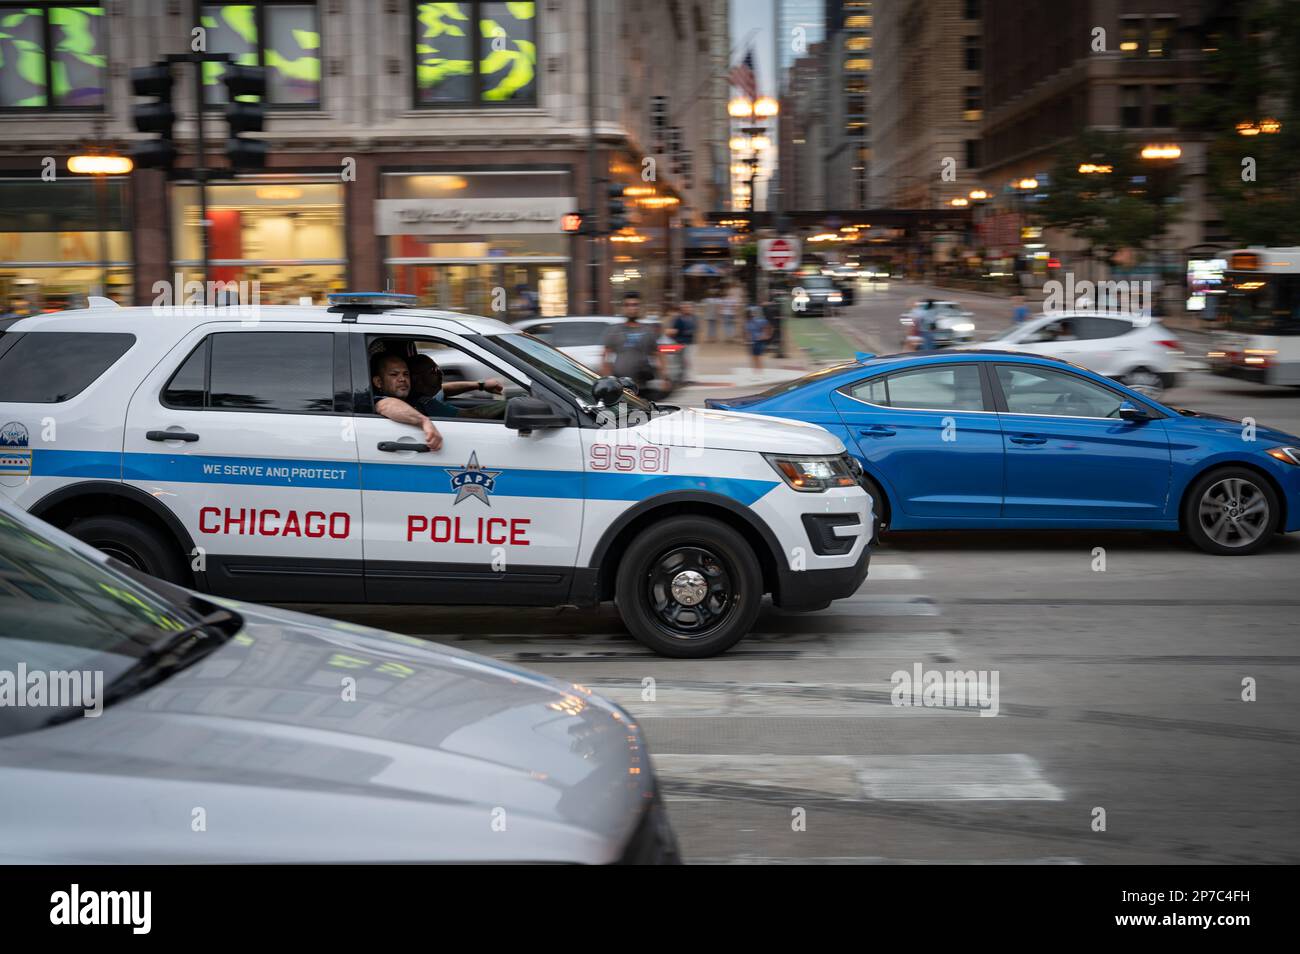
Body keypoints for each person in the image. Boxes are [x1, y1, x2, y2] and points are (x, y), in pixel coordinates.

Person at [370, 351, 443, 451]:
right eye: (394, 374)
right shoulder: (376, 400)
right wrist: (424, 422)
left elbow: (445, 389)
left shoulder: (416, 399)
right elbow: (386, 405)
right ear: (378, 382)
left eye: (406, 374)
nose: (402, 379)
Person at [601, 291, 666, 392]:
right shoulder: (614, 330)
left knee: (644, 408)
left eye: (635, 305)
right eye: (628, 305)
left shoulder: (648, 331)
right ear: (623, 308)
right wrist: (607, 381)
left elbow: (658, 354)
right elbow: (605, 357)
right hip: (621, 387)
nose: (632, 308)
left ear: (640, 308)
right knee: (623, 408)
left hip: (643, 386)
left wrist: (663, 379)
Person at [671, 300, 697, 384]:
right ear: (681, 309)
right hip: (680, 342)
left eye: (689, 307)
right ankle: (681, 378)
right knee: (680, 361)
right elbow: (674, 330)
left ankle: (689, 378)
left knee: (689, 361)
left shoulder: (693, 318)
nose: (687, 309)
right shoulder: (678, 318)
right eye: (685, 307)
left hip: (690, 343)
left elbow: (695, 330)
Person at [745, 302, 773, 373]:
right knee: (754, 356)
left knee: (758, 356)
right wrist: (747, 341)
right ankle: (757, 369)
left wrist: (767, 335)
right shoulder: (747, 323)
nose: (751, 317)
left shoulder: (757, 321)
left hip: (759, 341)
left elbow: (767, 324)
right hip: (753, 341)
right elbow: (748, 333)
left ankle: (760, 369)